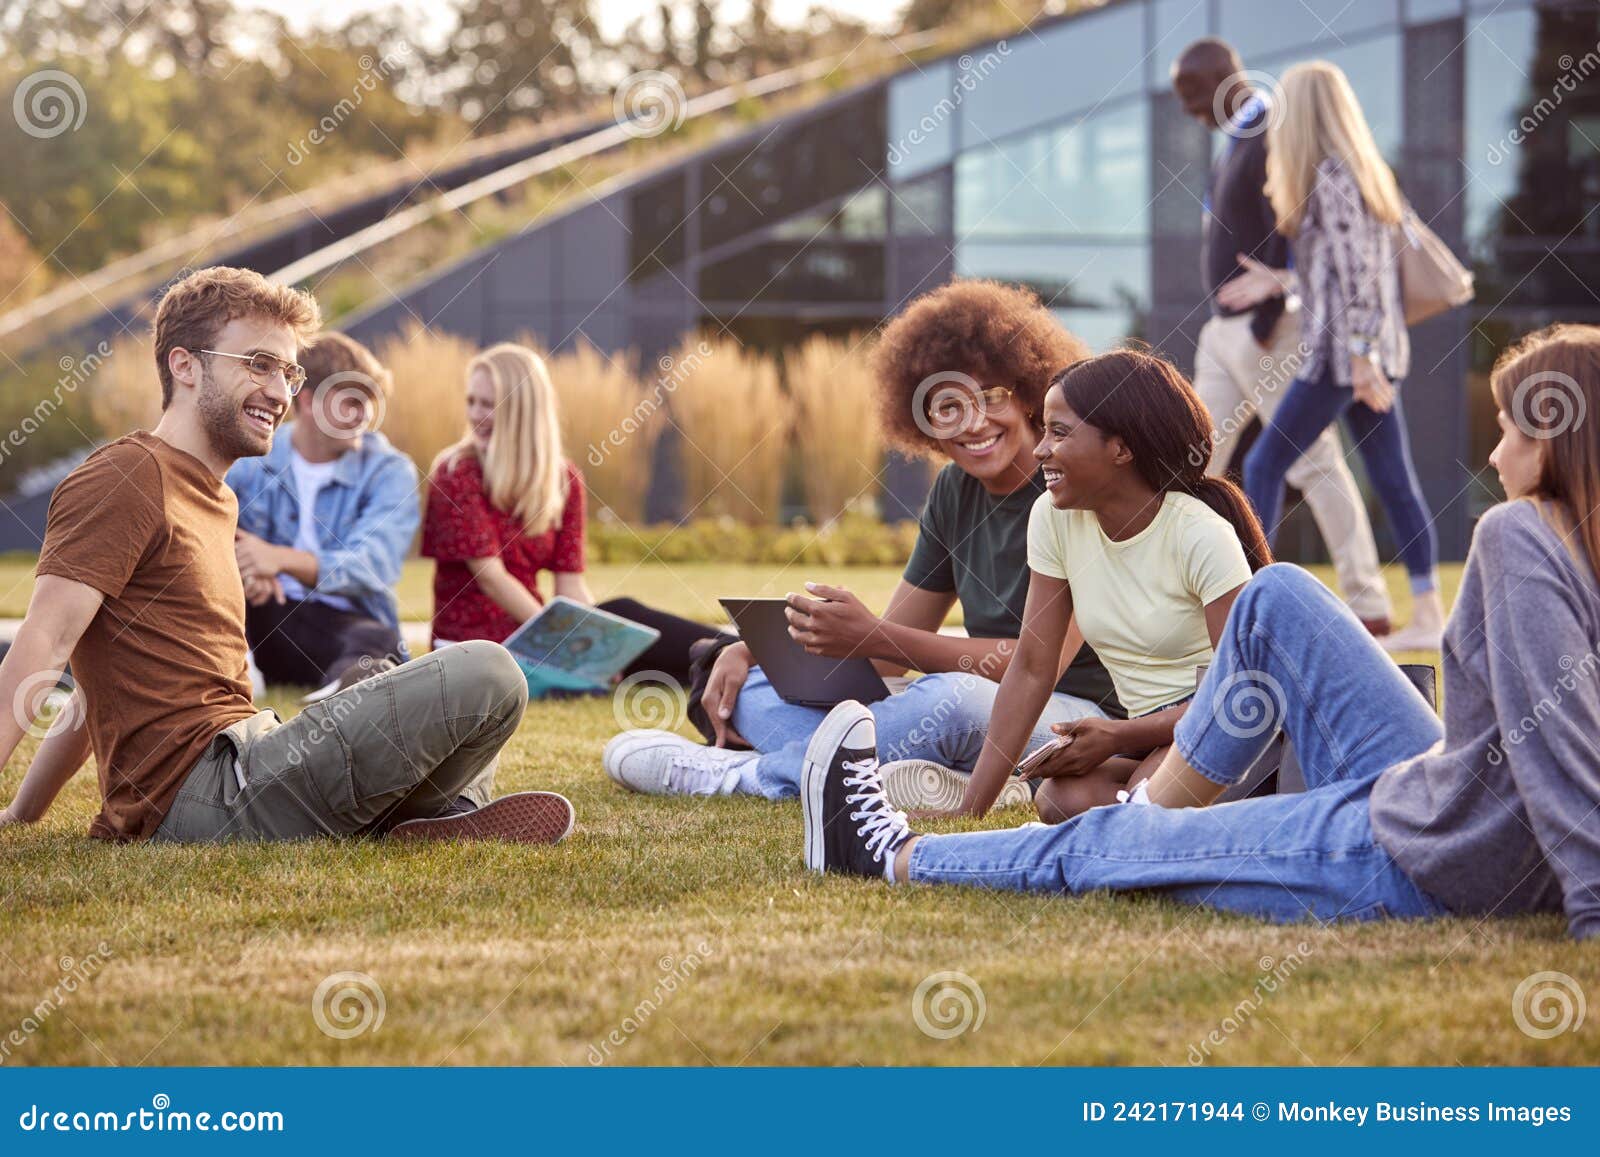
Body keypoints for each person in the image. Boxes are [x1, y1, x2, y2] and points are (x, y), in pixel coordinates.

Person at [799, 323, 1600, 943]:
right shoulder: (1559, 540)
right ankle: (1154, 809)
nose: (1494, 455)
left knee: (1119, 840)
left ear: (1562, 439)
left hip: (1437, 851)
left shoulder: (1517, 536)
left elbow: (1560, 738)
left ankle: (890, 853)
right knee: (1276, 593)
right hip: (1434, 788)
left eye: (1510, 431)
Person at [0, 266, 572, 845]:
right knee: (491, 671)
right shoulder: (127, 476)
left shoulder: (216, 497)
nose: (279, 392)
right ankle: (437, 814)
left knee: (414, 682)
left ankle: (425, 821)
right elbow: (44, 645)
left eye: (287, 371)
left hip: (251, 757)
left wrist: (23, 813)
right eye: (257, 364)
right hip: (211, 791)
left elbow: (94, 681)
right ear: (186, 366)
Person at [603, 280, 1122, 809]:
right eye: (948, 407)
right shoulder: (953, 492)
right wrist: (757, 654)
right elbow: (887, 663)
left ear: (1030, 394)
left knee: (951, 701)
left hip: (1077, 718)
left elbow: (1035, 668)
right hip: (979, 719)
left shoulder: (1069, 486)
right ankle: (916, 771)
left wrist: (874, 636)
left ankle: (750, 775)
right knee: (753, 693)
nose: (972, 422)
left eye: (989, 397)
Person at [933, 348, 1270, 824]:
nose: (1040, 450)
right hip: (1146, 735)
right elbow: (1031, 669)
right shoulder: (1053, 517)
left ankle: (1174, 816)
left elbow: (1240, 695)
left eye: (1060, 432)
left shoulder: (1199, 534)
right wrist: (967, 813)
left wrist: (1118, 737)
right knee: (1058, 798)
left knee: (1143, 806)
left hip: (1222, 731)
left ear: (1121, 448)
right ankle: (1141, 812)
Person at [1217, 60, 1442, 651]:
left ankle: (1255, 607)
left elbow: (1362, 282)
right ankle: (1426, 614)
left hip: (1341, 360)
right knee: (1393, 478)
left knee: (1265, 464)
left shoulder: (1333, 176)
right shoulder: (1352, 171)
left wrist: (1364, 361)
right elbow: (1333, 277)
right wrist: (1280, 281)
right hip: (1356, 354)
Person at [1171, 38, 1391, 635]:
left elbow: (1292, 225)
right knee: (1193, 452)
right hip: (1223, 330)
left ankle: (1367, 600)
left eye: (1193, 97)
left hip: (1264, 331)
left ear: (1222, 79)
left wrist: (1274, 307)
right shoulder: (1236, 138)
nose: (1190, 112)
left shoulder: (1270, 127)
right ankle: (1183, 588)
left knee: (1312, 460)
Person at [420, 341, 723, 685]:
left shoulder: (562, 479)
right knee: (619, 639)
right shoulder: (455, 471)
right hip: (476, 651)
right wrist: (569, 647)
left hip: (535, 638)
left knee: (626, 623)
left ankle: (737, 655)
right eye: (471, 401)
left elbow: (570, 585)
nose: (475, 415)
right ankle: (730, 657)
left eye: (488, 404)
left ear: (521, 410)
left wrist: (598, 639)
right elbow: (492, 577)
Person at [227, 331, 416, 696]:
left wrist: (278, 559)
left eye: (370, 402)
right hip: (263, 614)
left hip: (343, 627)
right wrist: (244, 566)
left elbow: (373, 566)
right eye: (353, 402)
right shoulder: (251, 459)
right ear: (311, 401)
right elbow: (200, 522)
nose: (366, 414)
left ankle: (343, 690)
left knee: (379, 640)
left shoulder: (389, 471)